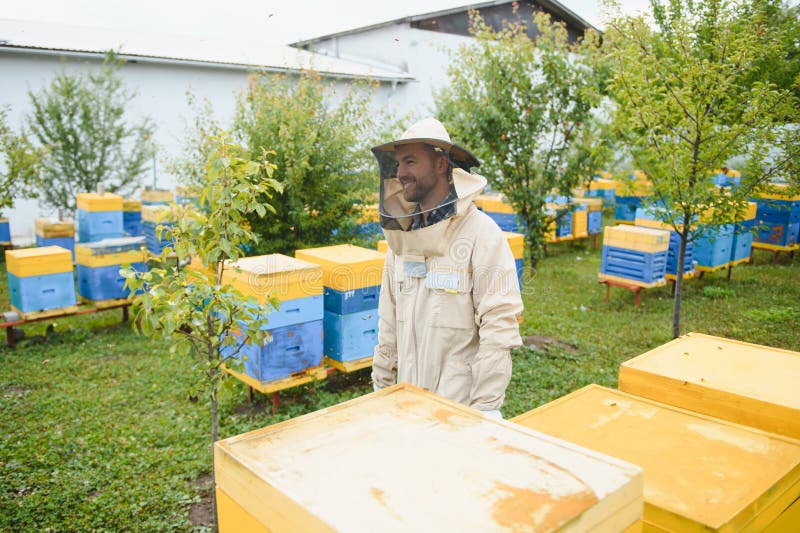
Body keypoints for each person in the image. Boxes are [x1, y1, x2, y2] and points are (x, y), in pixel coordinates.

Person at [370, 118, 523, 419]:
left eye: (410, 161)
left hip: (458, 412)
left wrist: (486, 408)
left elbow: (499, 327)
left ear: (441, 165)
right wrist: (382, 386)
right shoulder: (401, 240)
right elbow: (389, 323)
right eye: (398, 164)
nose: (400, 174)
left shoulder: (481, 234)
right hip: (406, 406)